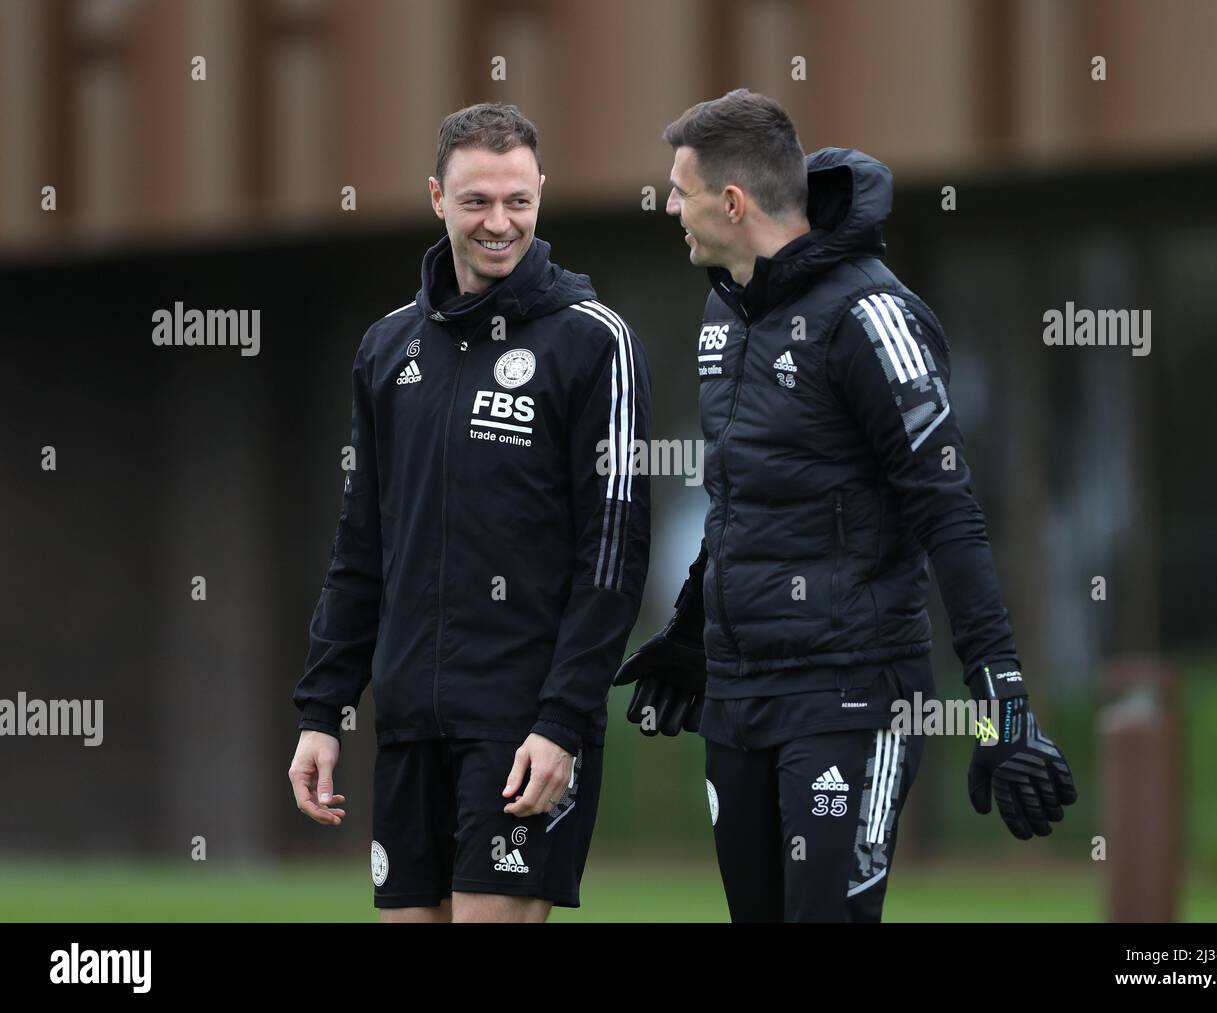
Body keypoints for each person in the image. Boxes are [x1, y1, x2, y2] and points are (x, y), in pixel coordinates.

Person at [615, 89, 1076, 922]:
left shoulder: (872, 316)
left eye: (678, 191)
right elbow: (743, 499)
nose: (669, 208)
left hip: (852, 697)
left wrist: (1004, 708)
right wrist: (692, 634)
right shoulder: (723, 310)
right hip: (740, 700)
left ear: (731, 201)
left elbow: (951, 517)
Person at [288, 102, 651, 923]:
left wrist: (563, 721)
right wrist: (323, 712)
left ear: (542, 195)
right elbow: (362, 548)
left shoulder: (594, 341)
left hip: (521, 727)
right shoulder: (388, 349)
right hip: (410, 722)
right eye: (477, 201)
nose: (499, 222)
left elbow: (614, 555)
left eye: (518, 201)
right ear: (436, 198)